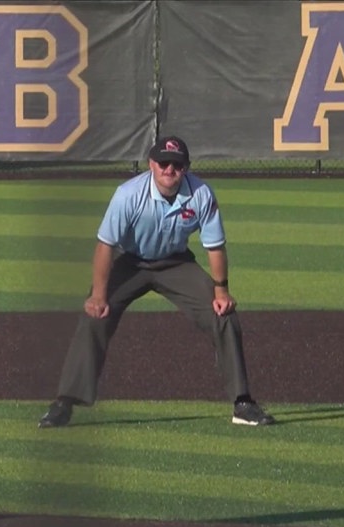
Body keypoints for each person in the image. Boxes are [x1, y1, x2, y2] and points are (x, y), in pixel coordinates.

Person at [38, 136, 275, 428]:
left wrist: (221, 291)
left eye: (176, 165)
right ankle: (64, 403)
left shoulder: (201, 194)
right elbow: (105, 246)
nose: (169, 170)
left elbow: (215, 247)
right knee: (94, 316)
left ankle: (242, 403)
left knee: (223, 314)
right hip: (130, 262)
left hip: (175, 263)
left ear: (186, 168)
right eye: (163, 163)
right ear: (151, 164)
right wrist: (98, 295)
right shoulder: (128, 195)